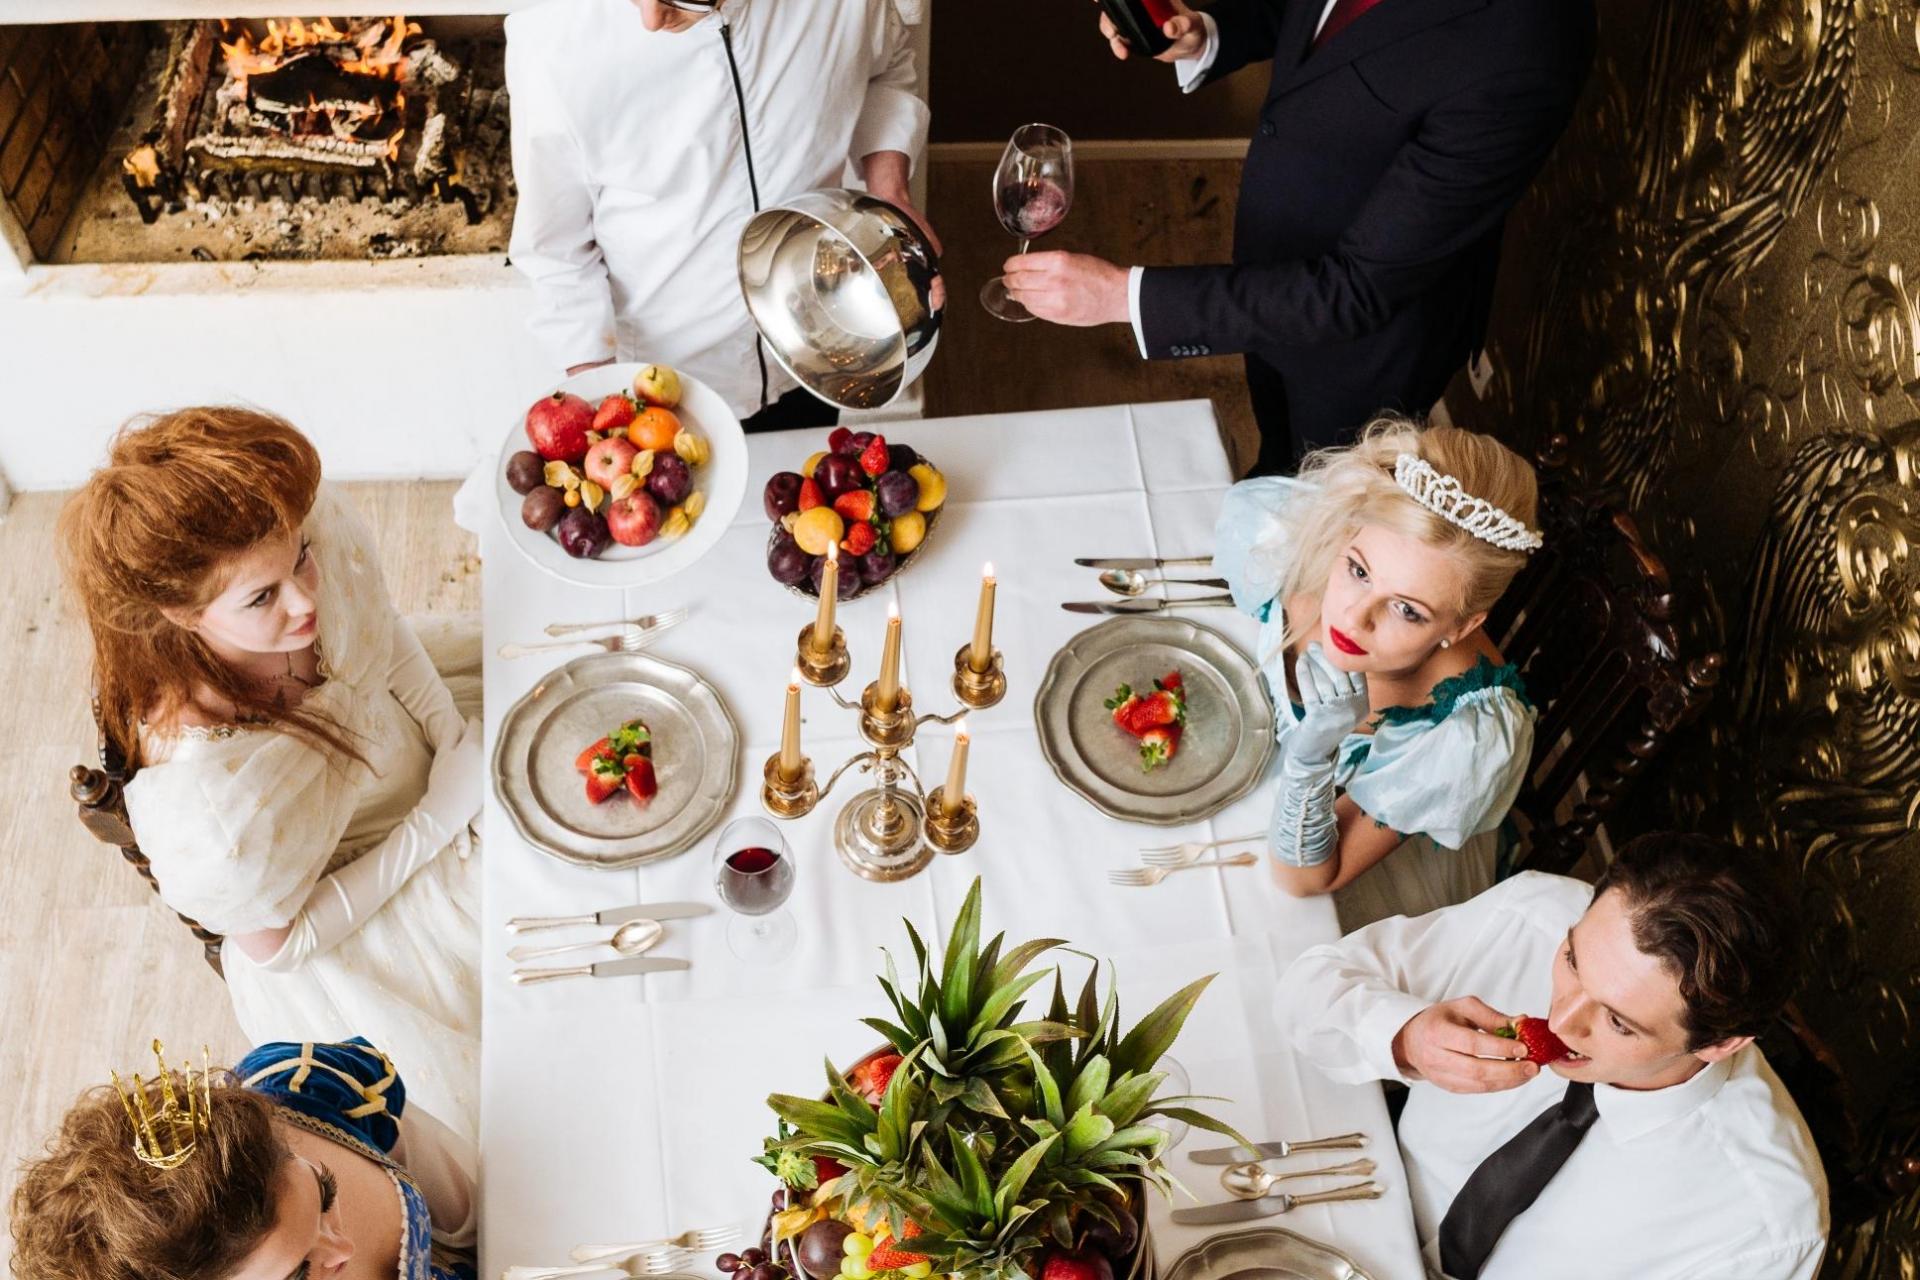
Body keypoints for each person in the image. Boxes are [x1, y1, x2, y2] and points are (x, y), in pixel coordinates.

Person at [59, 409, 483, 1146]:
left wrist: (449, 734)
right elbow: (281, 945)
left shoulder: (283, 537)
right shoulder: (209, 801)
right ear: (181, 614)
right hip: (363, 900)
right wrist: (439, 817)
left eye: (303, 562)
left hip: (426, 750)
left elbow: (376, 633)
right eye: (261, 599)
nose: (305, 604)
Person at [1006, 0, 1594, 474]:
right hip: (1267, 275)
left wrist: (1121, 296)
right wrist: (1207, 35)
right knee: (1275, 457)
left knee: (1318, 512)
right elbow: (1315, 20)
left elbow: (1358, 290)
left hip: (1366, 352)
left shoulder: (1527, 42)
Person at [1276, 832, 1828, 1279]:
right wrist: (1402, 1034)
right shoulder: (1534, 914)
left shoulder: (1765, 1227)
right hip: (1341, 1208)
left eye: (1617, 1021)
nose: (1561, 1019)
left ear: (1720, 1044)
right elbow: (1307, 986)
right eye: (1572, 961)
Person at [506, 0, 936, 432]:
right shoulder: (551, 41)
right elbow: (556, 250)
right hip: (665, 391)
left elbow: (887, 66)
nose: (652, 19)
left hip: (818, 347)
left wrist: (890, 189)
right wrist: (596, 392)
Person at [1215, 416, 1538, 929]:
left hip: (1359, 875)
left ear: (1465, 624)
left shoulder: (1461, 737)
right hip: (1237, 771)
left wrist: (1313, 751)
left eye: (1407, 610)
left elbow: (1305, 881)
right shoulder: (1296, 535)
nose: (1353, 617)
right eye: (1359, 571)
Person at [9, 1038, 476, 1280]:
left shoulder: (308, 1088)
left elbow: (462, 1191)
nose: (343, 1249)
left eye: (324, 1192)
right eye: (297, 1274)